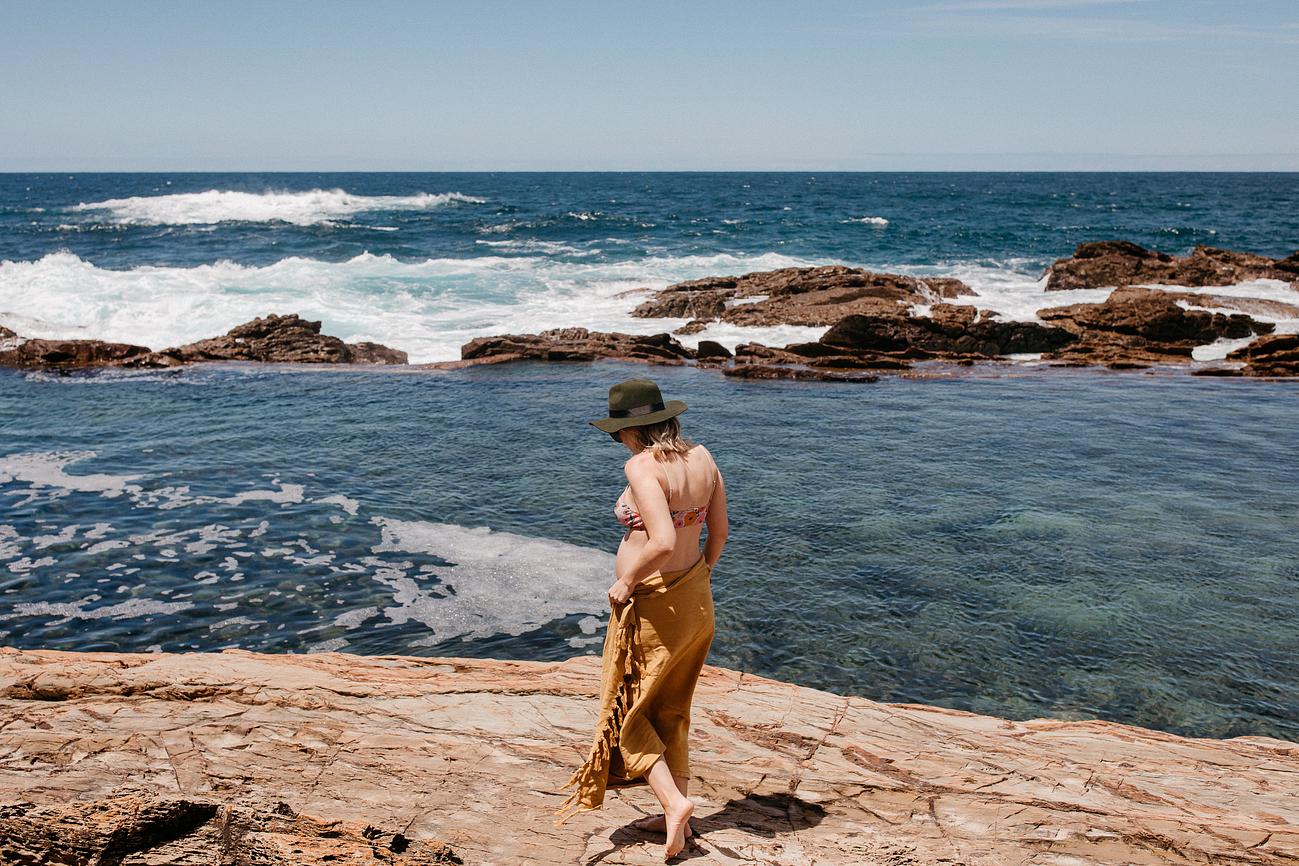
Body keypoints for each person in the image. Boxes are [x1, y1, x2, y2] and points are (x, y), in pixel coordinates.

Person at [554, 377, 729, 861]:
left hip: (653, 603)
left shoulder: (642, 466)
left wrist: (627, 581)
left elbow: (662, 542)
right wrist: (698, 577)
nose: (619, 442)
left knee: (627, 707)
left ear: (633, 431)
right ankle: (680, 821)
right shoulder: (704, 457)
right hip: (695, 596)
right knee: (672, 708)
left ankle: (673, 802)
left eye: (618, 434)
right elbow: (719, 533)